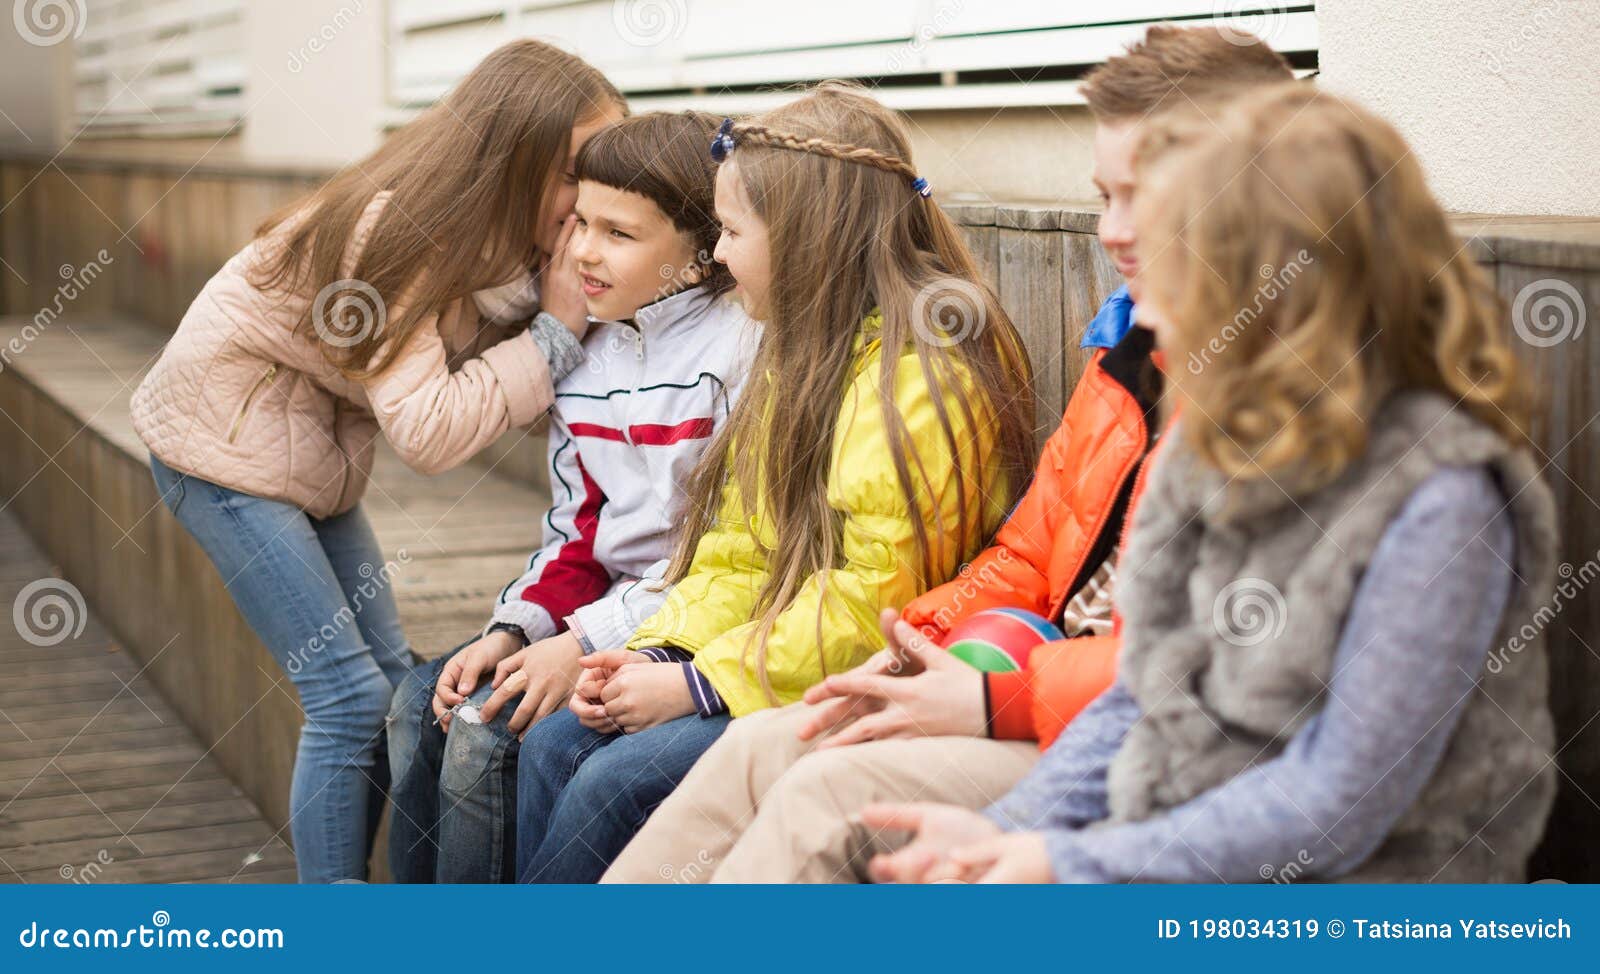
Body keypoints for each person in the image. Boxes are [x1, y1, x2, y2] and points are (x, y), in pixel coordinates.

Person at [604, 24, 1296, 884]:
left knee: (815, 794)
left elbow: (1213, 663)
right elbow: (1028, 553)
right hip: (1026, 685)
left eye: (1138, 198)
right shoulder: (1129, 357)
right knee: (754, 752)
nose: (1110, 232)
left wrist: (988, 693)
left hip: (1122, 737)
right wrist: (909, 650)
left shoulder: (1281, 392)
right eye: (1102, 196)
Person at [869, 83, 1557, 885]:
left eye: (1183, 244)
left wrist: (1068, 865)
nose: (1133, 270)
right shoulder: (1212, 440)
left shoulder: (1444, 500)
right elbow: (1145, 694)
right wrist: (1007, 835)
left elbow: (1338, 803)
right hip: (1166, 845)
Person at [513, 81, 1038, 883]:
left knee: (612, 784)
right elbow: (739, 552)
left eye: (729, 231)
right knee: (552, 743)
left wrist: (700, 684)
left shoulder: (921, 379)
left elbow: (874, 600)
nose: (716, 256)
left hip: (866, 674)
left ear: (806, 238)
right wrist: (661, 651)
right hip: (773, 652)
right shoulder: (800, 351)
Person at [130, 40, 625, 882]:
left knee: (401, 687)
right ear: (519, 158)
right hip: (217, 451)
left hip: (301, 453)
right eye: (581, 169)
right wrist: (556, 332)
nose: (595, 194)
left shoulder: (495, 241)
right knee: (348, 696)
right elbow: (429, 432)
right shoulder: (399, 231)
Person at [385, 112, 758, 883]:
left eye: (618, 233)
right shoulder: (588, 353)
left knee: (487, 733)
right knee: (419, 704)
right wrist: (515, 631)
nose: (582, 249)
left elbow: (722, 557)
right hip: (603, 612)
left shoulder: (739, 351)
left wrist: (582, 643)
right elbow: (575, 534)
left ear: (701, 249)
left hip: (694, 620)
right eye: (580, 221)